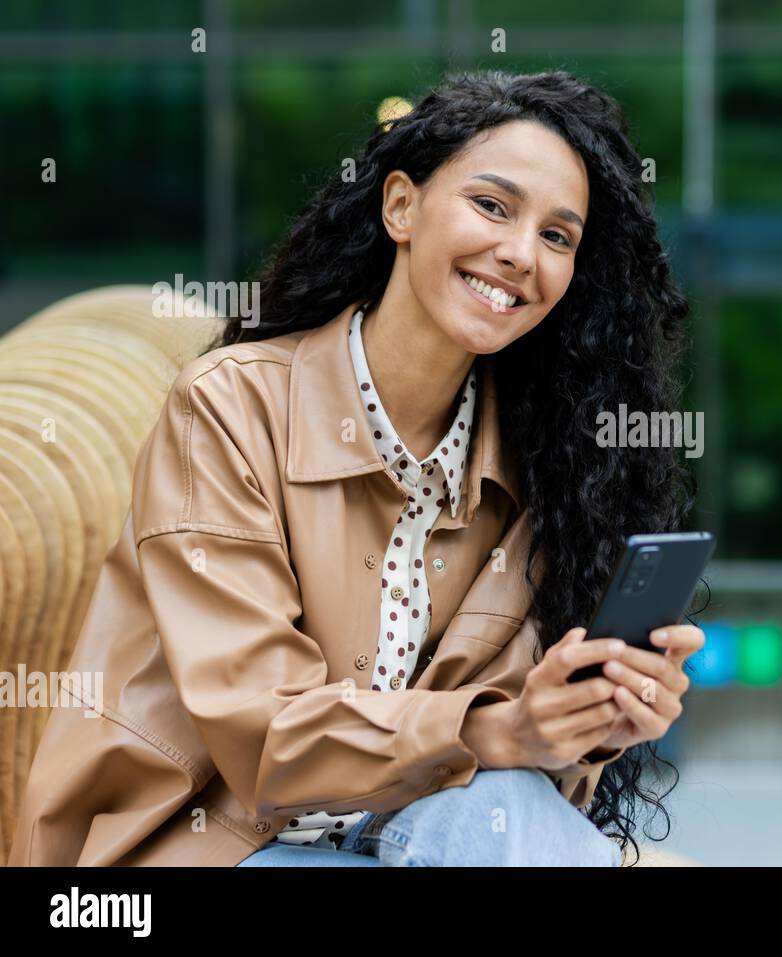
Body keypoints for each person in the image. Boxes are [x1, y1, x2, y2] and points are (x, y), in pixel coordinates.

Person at [8, 69, 701, 868]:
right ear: (400, 205)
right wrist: (489, 730)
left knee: (506, 808)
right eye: (492, 205)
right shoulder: (232, 409)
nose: (518, 253)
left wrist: (586, 731)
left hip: (407, 839)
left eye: (557, 236)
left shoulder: (538, 466)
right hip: (205, 846)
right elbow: (266, 741)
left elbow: (497, 774)